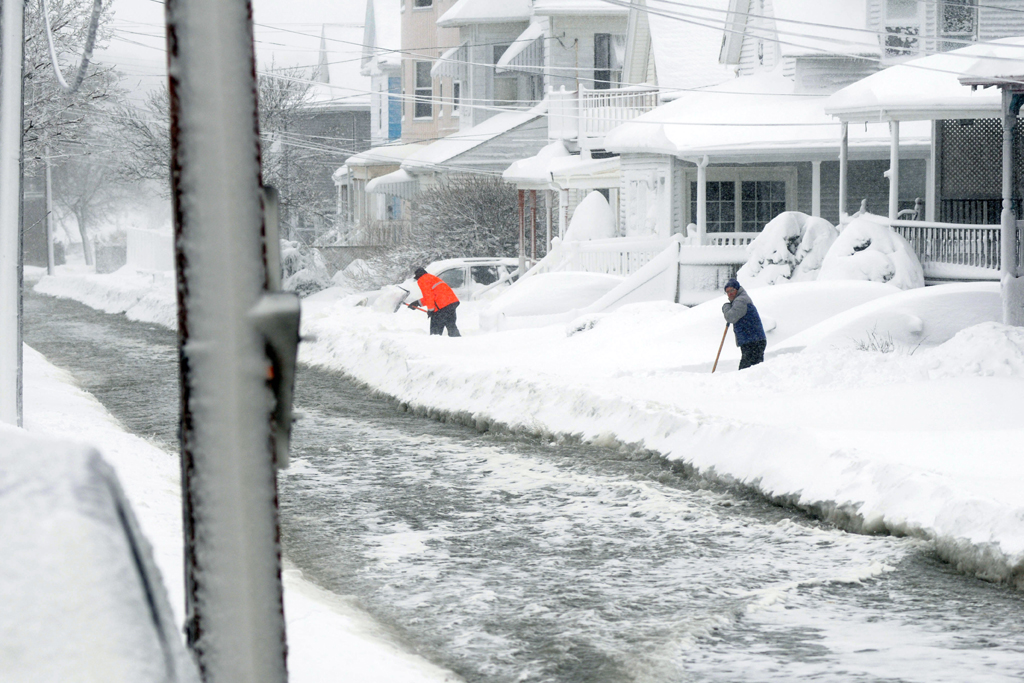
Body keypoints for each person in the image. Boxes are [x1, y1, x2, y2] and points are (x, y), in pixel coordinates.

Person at [721, 278, 766, 370]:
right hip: (753, 340)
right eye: (727, 292)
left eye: (732, 290)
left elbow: (730, 317)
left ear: (737, 289)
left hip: (752, 341)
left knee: (745, 371)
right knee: (754, 370)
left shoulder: (740, 300)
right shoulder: (741, 299)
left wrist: (726, 307)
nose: (730, 293)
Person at [410, 267, 461, 337]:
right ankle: (458, 343)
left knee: (435, 333)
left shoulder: (422, 280)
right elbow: (433, 296)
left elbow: (429, 296)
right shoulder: (431, 278)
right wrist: (417, 303)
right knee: (451, 327)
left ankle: (435, 345)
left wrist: (431, 310)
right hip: (451, 303)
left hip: (442, 306)